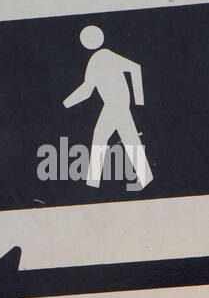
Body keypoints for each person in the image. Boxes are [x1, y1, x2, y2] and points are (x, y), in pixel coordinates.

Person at [63, 25, 153, 189]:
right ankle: (146, 178)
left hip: (116, 103)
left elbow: (134, 67)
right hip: (114, 104)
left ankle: (92, 183)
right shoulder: (94, 61)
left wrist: (139, 101)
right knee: (127, 138)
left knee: (102, 136)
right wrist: (66, 103)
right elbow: (87, 90)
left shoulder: (104, 55)